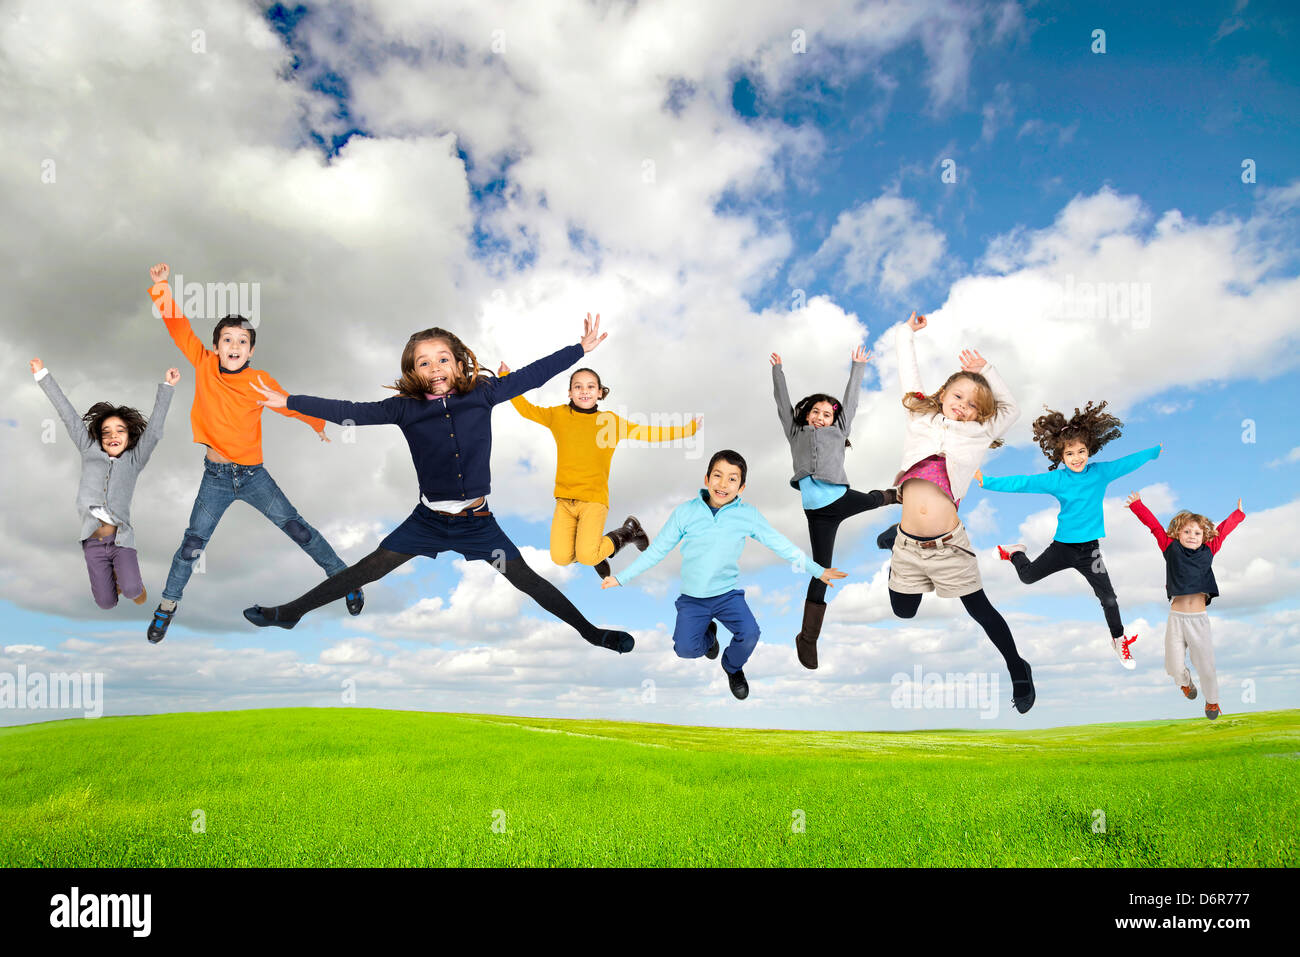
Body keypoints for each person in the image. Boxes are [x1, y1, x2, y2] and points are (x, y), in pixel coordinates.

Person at [244, 316, 636, 654]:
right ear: (413, 370)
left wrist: (578, 350)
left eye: (443, 358)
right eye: (424, 362)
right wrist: (290, 401)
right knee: (367, 570)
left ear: (459, 362)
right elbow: (350, 413)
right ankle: (290, 613)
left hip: (477, 523)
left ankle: (593, 634)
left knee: (528, 581)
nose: (435, 367)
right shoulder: (404, 408)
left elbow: (532, 375)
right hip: (427, 523)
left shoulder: (484, 393)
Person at [145, 262, 359, 643]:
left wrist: (318, 423)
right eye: (227, 340)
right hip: (216, 478)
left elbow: (289, 404)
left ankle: (346, 579)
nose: (234, 347)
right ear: (216, 346)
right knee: (192, 545)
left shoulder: (259, 381)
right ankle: (167, 607)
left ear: (251, 350)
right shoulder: (204, 364)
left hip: (253, 476)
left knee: (298, 529)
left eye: (242, 342)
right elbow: (179, 327)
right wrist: (162, 288)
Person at [603, 449, 846, 699]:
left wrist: (817, 570)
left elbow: (779, 544)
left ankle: (732, 666)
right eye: (717, 476)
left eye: (732, 479)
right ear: (707, 479)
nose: (723, 484)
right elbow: (656, 551)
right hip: (693, 599)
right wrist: (621, 577)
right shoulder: (685, 513)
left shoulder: (747, 515)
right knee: (685, 650)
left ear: (741, 488)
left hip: (727, 596)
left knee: (750, 634)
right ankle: (709, 637)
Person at [31, 357, 176, 609]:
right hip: (93, 543)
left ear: (129, 436)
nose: (113, 436)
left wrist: (167, 387)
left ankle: (128, 580)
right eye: (107, 432)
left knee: (133, 591)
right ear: (98, 436)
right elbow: (67, 414)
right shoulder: (88, 450)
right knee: (106, 603)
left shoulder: (134, 460)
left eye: (120, 430)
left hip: (121, 541)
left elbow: (153, 432)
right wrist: (42, 375)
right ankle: (117, 581)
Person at [1127, 491, 1245, 719]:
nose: (1192, 535)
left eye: (1198, 533)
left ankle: (1212, 702)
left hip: (1198, 620)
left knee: (1206, 667)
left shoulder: (1209, 549)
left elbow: (1224, 530)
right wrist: (1138, 506)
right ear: (1178, 533)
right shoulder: (1170, 547)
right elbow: (1154, 527)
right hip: (1176, 619)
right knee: (1172, 665)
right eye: (1187, 531)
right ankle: (1185, 682)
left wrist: (1238, 515)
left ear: (1205, 536)